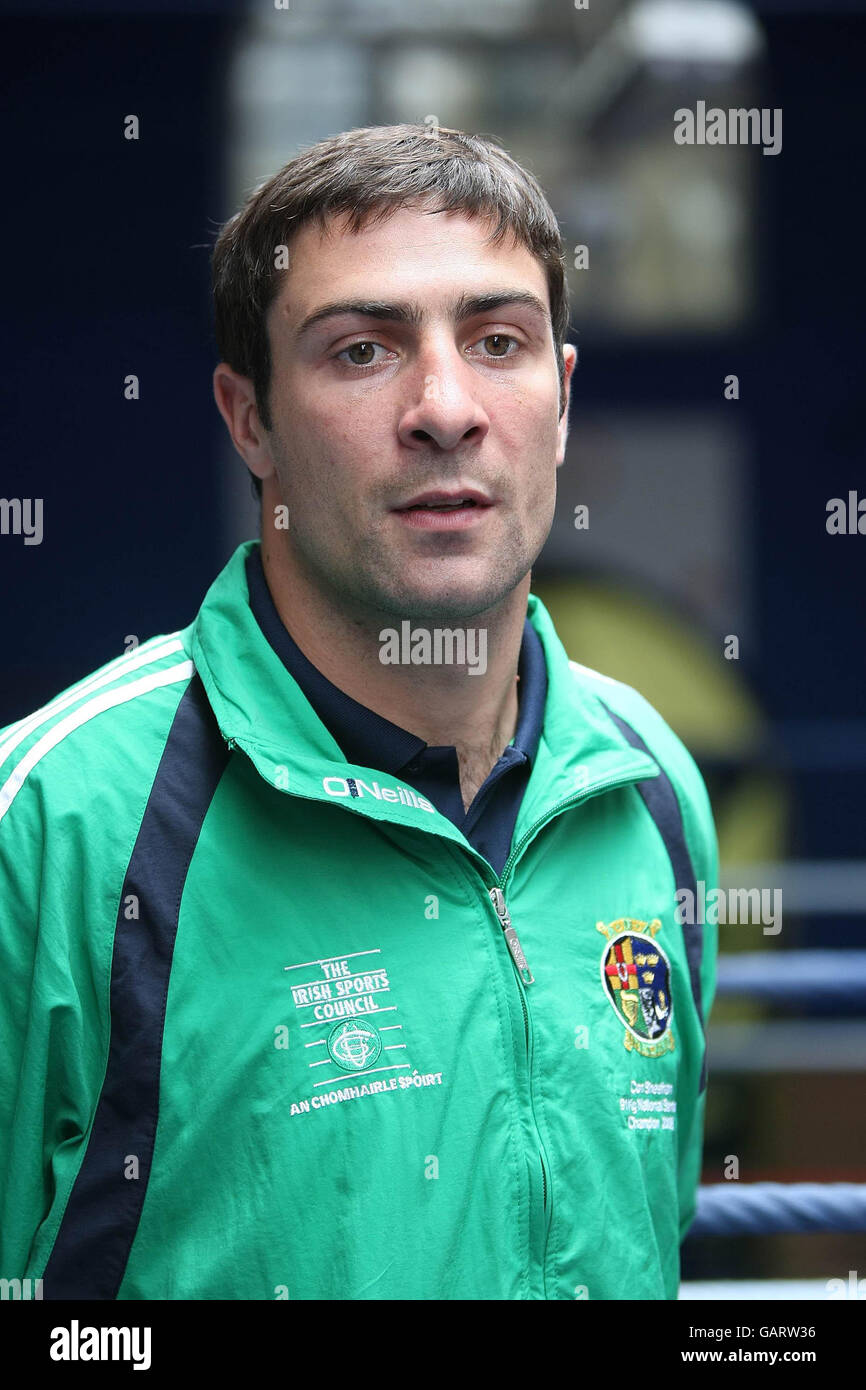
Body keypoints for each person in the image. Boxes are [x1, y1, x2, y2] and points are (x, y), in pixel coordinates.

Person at [0, 124, 717, 1300]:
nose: (445, 408)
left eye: (498, 341)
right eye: (360, 352)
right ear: (249, 420)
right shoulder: (57, 822)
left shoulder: (648, 785)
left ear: (562, 397)